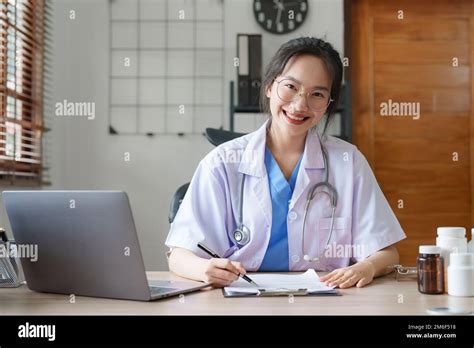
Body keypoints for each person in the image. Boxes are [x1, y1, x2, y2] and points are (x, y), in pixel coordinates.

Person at [165, 36, 406, 289]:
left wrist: (365, 267)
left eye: (317, 94)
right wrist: (204, 269)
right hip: (240, 300)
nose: (300, 105)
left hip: (326, 303)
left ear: (328, 104)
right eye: (290, 87)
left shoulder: (349, 162)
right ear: (270, 86)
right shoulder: (222, 163)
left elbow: (388, 253)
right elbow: (179, 255)